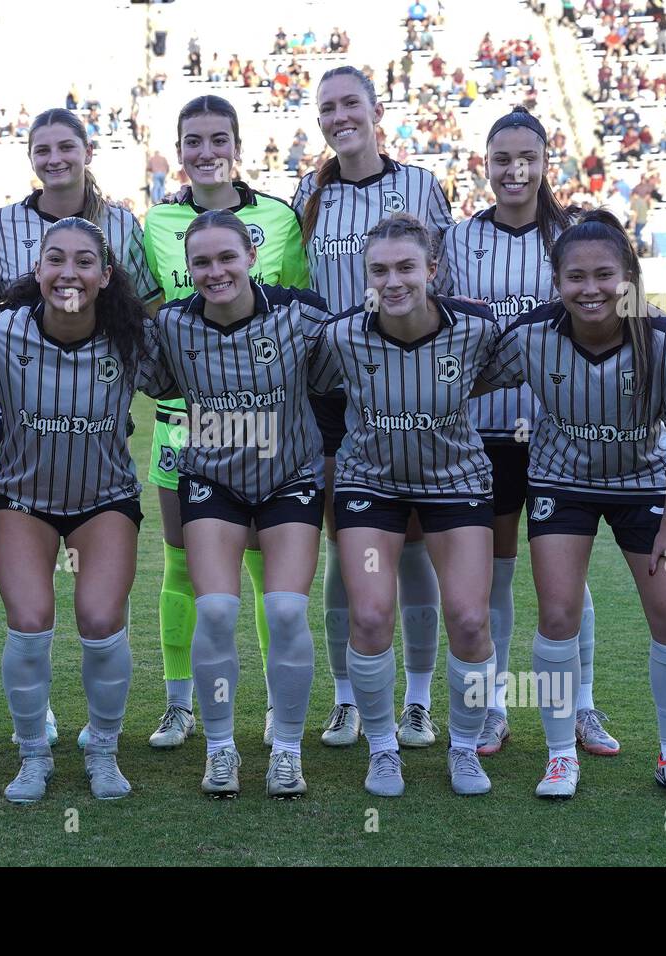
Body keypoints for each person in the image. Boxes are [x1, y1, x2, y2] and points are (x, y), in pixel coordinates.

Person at [476, 210, 666, 802]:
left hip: (645, 489)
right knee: (557, 615)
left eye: (604, 275)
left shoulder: (664, 338)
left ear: (628, 276)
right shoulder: (531, 334)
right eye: (575, 277)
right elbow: (464, 377)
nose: (590, 289)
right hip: (561, 483)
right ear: (556, 281)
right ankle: (560, 757)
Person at [143, 210, 339, 798]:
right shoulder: (173, 325)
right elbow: (143, 375)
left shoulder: (300, 313)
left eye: (226, 257)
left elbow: (343, 367)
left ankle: (286, 749)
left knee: (283, 611)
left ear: (251, 255)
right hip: (212, 478)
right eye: (201, 262)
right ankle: (221, 748)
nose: (215, 271)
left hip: (290, 475)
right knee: (218, 611)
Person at [0, 107, 160, 747]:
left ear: (107, 275)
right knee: (29, 621)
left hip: (104, 496)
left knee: (101, 616)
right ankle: (32, 751)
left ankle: (104, 746)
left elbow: (194, 370)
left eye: (85, 262)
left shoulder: (136, 341)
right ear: (37, 270)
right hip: (22, 496)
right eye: (55, 260)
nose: (69, 274)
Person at [442, 106, 618, 759]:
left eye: (527, 158)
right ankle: (492, 709)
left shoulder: (576, 233)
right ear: (485, 165)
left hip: (559, 432)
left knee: (566, 581)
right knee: (493, 574)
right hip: (481, 434)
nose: (514, 170)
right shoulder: (458, 241)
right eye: (501, 159)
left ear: (547, 163)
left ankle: (580, 705)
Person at [293, 65, 454, 749]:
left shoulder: (420, 185)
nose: (340, 116)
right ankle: (347, 697)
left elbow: (449, 281)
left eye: (350, 103)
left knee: (412, 544)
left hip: (406, 386)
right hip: (331, 390)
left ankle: (417, 699)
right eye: (327, 107)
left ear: (376, 109)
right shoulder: (309, 190)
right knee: (345, 546)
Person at [144, 95, 310, 751]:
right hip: (185, 421)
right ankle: (181, 704)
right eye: (192, 140)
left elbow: (298, 310)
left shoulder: (279, 218)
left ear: (237, 144)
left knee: (274, 572)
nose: (205, 150)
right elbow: (137, 302)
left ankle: (277, 705)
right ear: (178, 149)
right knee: (183, 564)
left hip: (270, 426)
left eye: (218, 138)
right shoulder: (153, 221)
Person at [322, 214, 500, 797]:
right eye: (379, 270)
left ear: (433, 270)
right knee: (371, 615)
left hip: (456, 485)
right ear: (364, 276)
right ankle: (382, 749)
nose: (393, 281)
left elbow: (545, 347)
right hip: (369, 487)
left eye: (405, 267)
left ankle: (466, 748)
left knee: (471, 620)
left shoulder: (476, 329)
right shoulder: (341, 335)